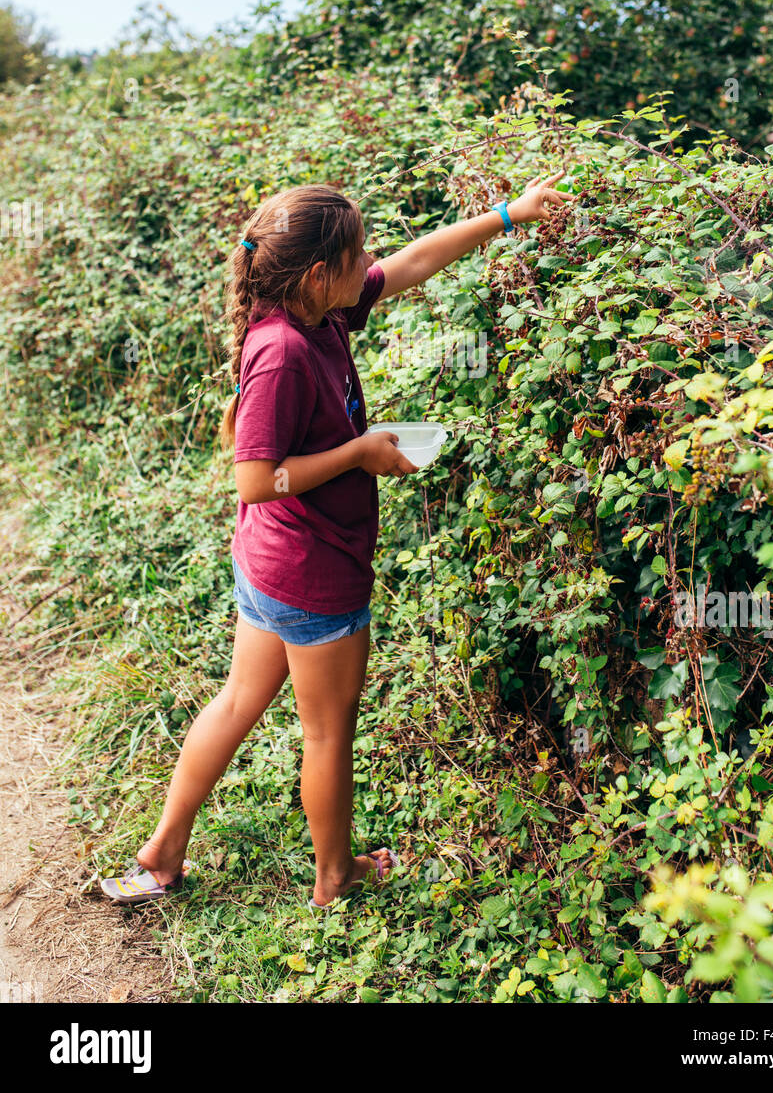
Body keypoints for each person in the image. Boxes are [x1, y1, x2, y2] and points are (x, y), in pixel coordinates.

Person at [100, 171, 569, 909]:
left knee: (236, 702)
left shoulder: (316, 314)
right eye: (357, 255)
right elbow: (254, 479)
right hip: (311, 573)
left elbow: (410, 264)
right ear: (320, 274)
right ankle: (334, 877)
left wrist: (508, 215)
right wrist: (360, 452)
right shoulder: (284, 351)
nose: (370, 263)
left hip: (272, 562)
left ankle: (161, 856)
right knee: (326, 736)